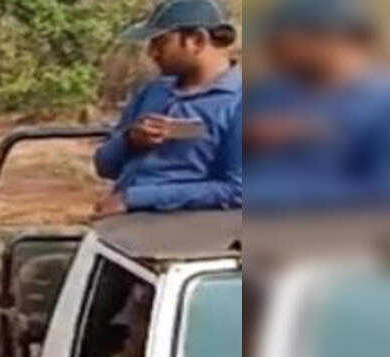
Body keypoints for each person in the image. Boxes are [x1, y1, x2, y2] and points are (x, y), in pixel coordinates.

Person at [93, 0, 242, 217]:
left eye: (160, 42)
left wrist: (135, 198)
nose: (152, 53)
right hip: (121, 227)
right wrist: (129, 140)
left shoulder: (242, 103)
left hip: (185, 236)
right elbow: (104, 166)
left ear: (197, 40)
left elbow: (237, 190)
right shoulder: (153, 92)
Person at [246, 0, 390, 211]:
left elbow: (380, 189)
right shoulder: (271, 93)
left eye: (281, 42)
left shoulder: (380, 103)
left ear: (328, 38)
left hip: (333, 233)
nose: (272, 52)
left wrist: (267, 195)